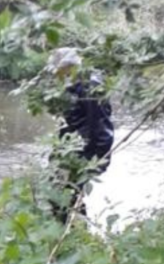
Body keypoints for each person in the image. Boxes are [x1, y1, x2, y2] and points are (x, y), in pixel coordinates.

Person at [46, 48, 114, 221]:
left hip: (82, 155)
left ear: (69, 66)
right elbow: (72, 123)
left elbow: (101, 126)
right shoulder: (75, 85)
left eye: (58, 71)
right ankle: (73, 235)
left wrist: (97, 161)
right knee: (62, 196)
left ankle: (70, 235)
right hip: (69, 151)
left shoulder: (90, 87)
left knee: (63, 197)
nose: (57, 76)